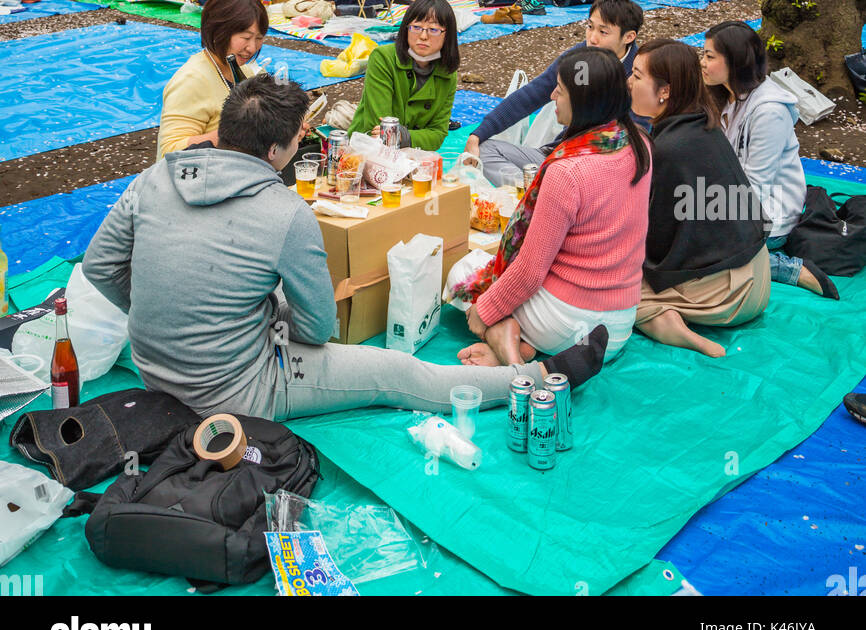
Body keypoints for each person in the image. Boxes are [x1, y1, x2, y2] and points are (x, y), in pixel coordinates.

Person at [85, 74, 604, 422]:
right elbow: (315, 330)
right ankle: (536, 376)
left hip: (154, 367)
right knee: (395, 372)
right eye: (297, 140)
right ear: (275, 150)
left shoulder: (153, 178)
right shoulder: (285, 212)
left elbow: (100, 266)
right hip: (234, 393)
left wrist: (167, 308)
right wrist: (268, 312)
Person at [457, 47, 652, 369]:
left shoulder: (567, 171)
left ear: (582, 102)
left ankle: (507, 344)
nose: (551, 96)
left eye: (559, 91)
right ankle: (522, 344)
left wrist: (485, 311)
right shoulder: (638, 143)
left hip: (567, 322)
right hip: (617, 328)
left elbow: (530, 271)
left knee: (465, 272)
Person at [627, 38, 770, 358]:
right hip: (758, 276)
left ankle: (669, 325)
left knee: (612, 284)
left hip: (729, 296)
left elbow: (652, 238)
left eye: (636, 76)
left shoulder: (669, 148)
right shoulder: (702, 124)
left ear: (665, 91)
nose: (628, 83)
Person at [700, 22, 837, 298]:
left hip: (769, 216)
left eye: (709, 56)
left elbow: (756, 186)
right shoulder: (729, 96)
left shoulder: (769, 111)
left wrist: (704, 213)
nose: (701, 62)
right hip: (734, 205)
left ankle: (785, 268)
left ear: (736, 61)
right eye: (702, 54)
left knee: (692, 246)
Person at [466, 0, 644, 184]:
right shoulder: (579, 59)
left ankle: (543, 192)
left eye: (603, 32)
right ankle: (530, 192)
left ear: (628, 37)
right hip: (562, 151)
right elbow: (533, 94)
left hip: (602, 166)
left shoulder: (637, 74)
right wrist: (478, 133)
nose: (592, 38)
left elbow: (638, 137)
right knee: (484, 150)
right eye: (590, 27)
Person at [156, 0, 270, 157]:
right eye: (246, 38)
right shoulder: (192, 80)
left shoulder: (246, 69)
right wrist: (237, 133)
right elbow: (169, 150)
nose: (252, 48)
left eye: (259, 38)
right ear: (219, 32)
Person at [349, 0, 458, 149]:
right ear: (406, 28)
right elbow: (378, 128)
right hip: (369, 151)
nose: (423, 36)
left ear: (447, 35)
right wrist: (409, 136)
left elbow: (438, 134)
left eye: (433, 30)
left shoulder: (447, 72)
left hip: (412, 153)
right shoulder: (383, 58)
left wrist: (403, 135)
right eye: (416, 27)